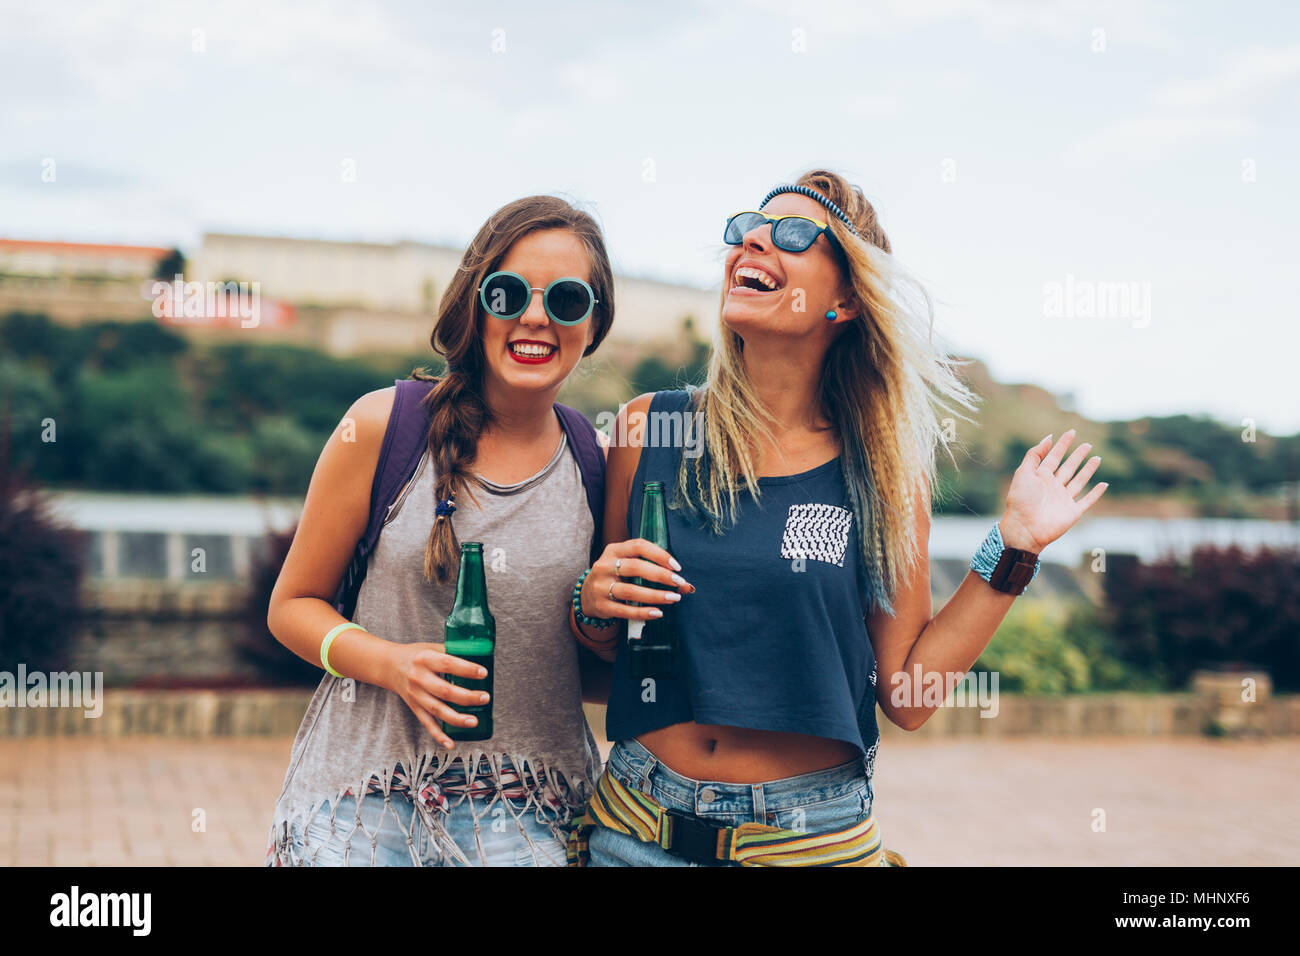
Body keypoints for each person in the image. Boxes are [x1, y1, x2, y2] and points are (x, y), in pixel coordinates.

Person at [565, 168, 1109, 866]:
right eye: (743, 230)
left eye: (791, 234)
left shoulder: (881, 471)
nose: (752, 242)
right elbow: (603, 656)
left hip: (809, 841)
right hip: (636, 829)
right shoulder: (649, 429)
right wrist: (591, 602)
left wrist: (1014, 547)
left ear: (847, 297)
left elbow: (907, 696)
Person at [263, 194, 619, 866]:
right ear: (473, 303)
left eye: (567, 300)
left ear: (593, 325)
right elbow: (290, 608)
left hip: (529, 822)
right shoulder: (380, 427)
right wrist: (392, 665)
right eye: (509, 293)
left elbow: (589, 673)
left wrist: (600, 619)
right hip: (361, 811)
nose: (535, 317)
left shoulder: (598, 463)